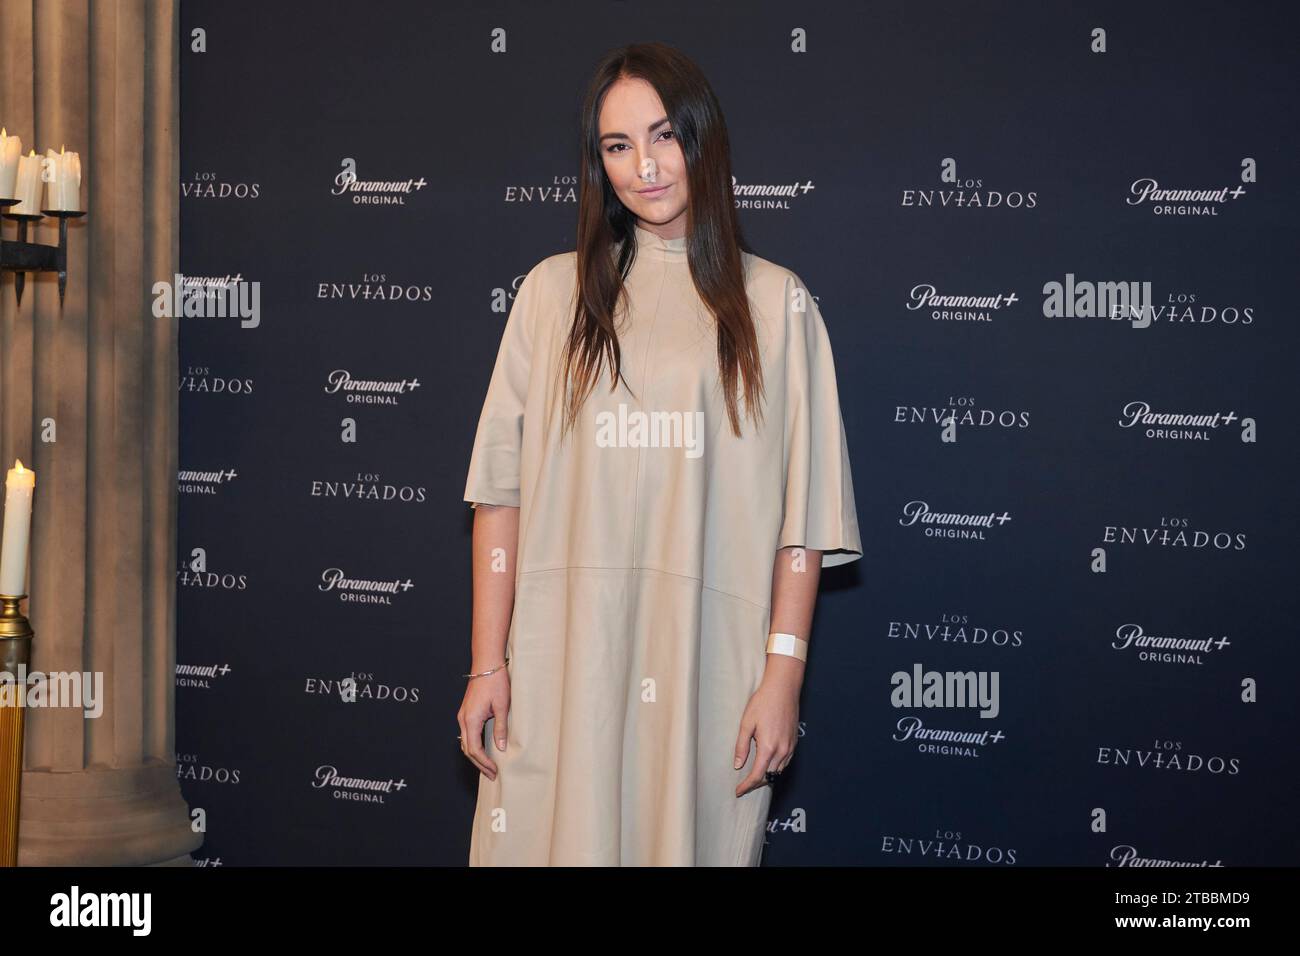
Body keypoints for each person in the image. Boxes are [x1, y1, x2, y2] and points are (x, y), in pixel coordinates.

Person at [458, 41, 862, 866]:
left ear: (703, 140)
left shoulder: (776, 306)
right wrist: (485, 665)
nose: (643, 165)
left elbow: (805, 517)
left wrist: (782, 677)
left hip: (704, 669)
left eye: (663, 135)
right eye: (617, 146)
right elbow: (500, 494)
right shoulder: (548, 295)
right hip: (559, 663)